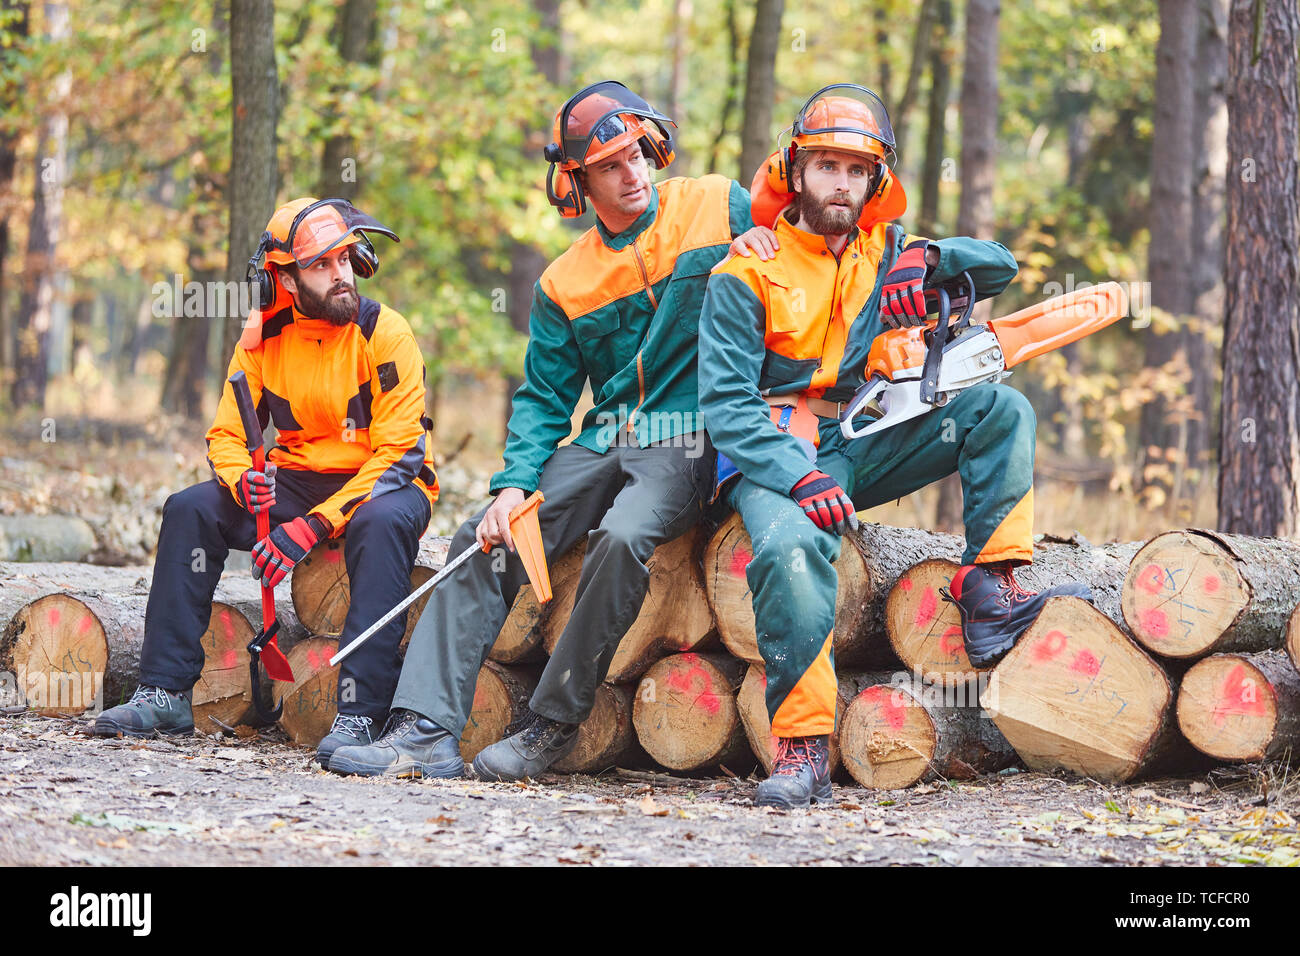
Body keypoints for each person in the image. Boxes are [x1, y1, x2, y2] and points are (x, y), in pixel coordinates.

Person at [328, 80, 766, 782]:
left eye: (638, 155)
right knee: (487, 533)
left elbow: (800, 235)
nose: (633, 175)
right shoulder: (565, 282)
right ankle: (423, 730)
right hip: (603, 439)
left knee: (624, 536)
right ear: (578, 181)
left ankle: (553, 721)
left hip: (691, 432)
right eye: (611, 167)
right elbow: (542, 400)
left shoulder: (716, 204)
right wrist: (511, 487)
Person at [698, 84, 1091, 808]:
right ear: (796, 169)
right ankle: (803, 743)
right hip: (772, 446)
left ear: (876, 180)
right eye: (826, 167)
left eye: (856, 170)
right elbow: (724, 406)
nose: (840, 184)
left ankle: (991, 587)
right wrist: (796, 477)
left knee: (998, 409)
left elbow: (1000, 266)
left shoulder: (889, 252)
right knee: (789, 549)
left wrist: (931, 258)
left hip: (860, 433)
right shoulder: (744, 271)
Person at [94, 198, 439, 769]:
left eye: (345, 260)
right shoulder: (262, 339)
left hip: (384, 483)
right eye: (323, 266)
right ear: (285, 277)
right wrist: (241, 480)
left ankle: (361, 712)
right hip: (297, 478)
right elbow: (226, 434)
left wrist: (312, 525)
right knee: (190, 509)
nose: (341, 275)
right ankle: (164, 693)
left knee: (378, 523)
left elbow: (400, 452)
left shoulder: (386, 333)